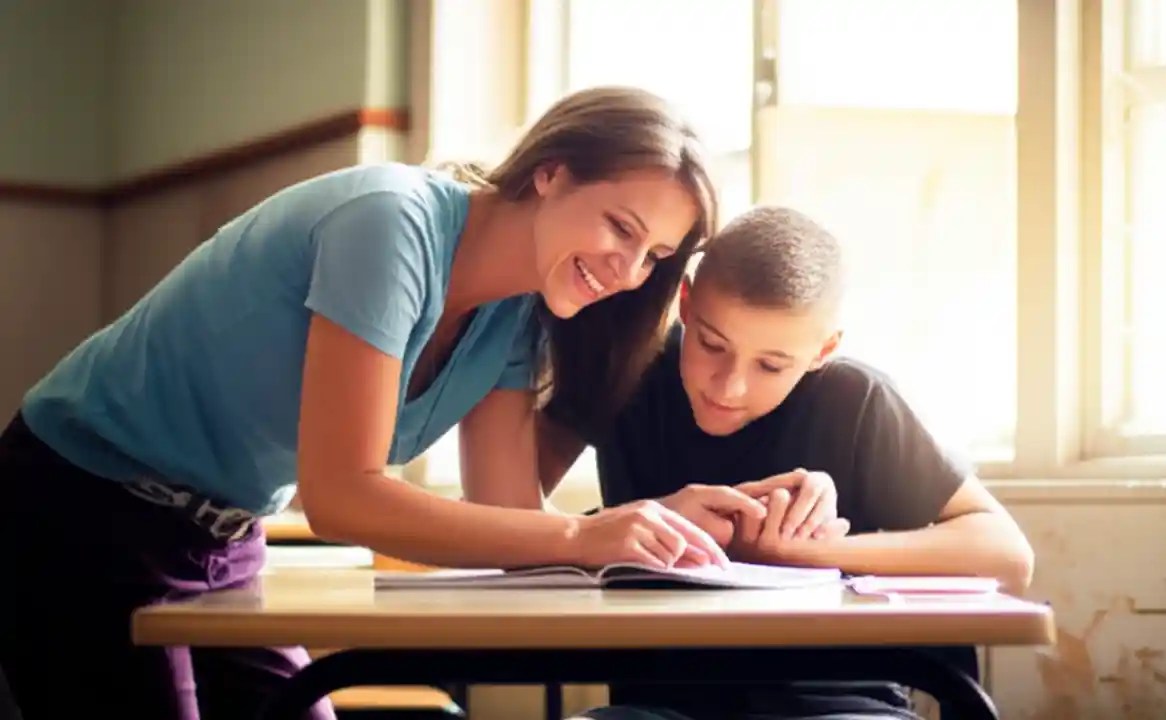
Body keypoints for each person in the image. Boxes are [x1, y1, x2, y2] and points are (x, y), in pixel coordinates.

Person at [0, 86, 762, 720]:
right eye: (620, 227)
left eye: (656, 255)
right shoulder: (391, 222)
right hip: (80, 505)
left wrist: (651, 528)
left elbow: (516, 521)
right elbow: (341, 499)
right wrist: (584, 534)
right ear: (550, 173)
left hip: (223, 541)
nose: (628, 271)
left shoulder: (520, 315)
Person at [540, 206, 1036, 720]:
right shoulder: (627, 369)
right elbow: (505, 514)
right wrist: (641, 524)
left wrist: (809, 554)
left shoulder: (855, 401)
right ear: (685, 303)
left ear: (823, 349)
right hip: (659, 702)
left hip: (842, 703)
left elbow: (1007, 557)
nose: (729, 386)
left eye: (771, 365)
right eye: (711, 344)